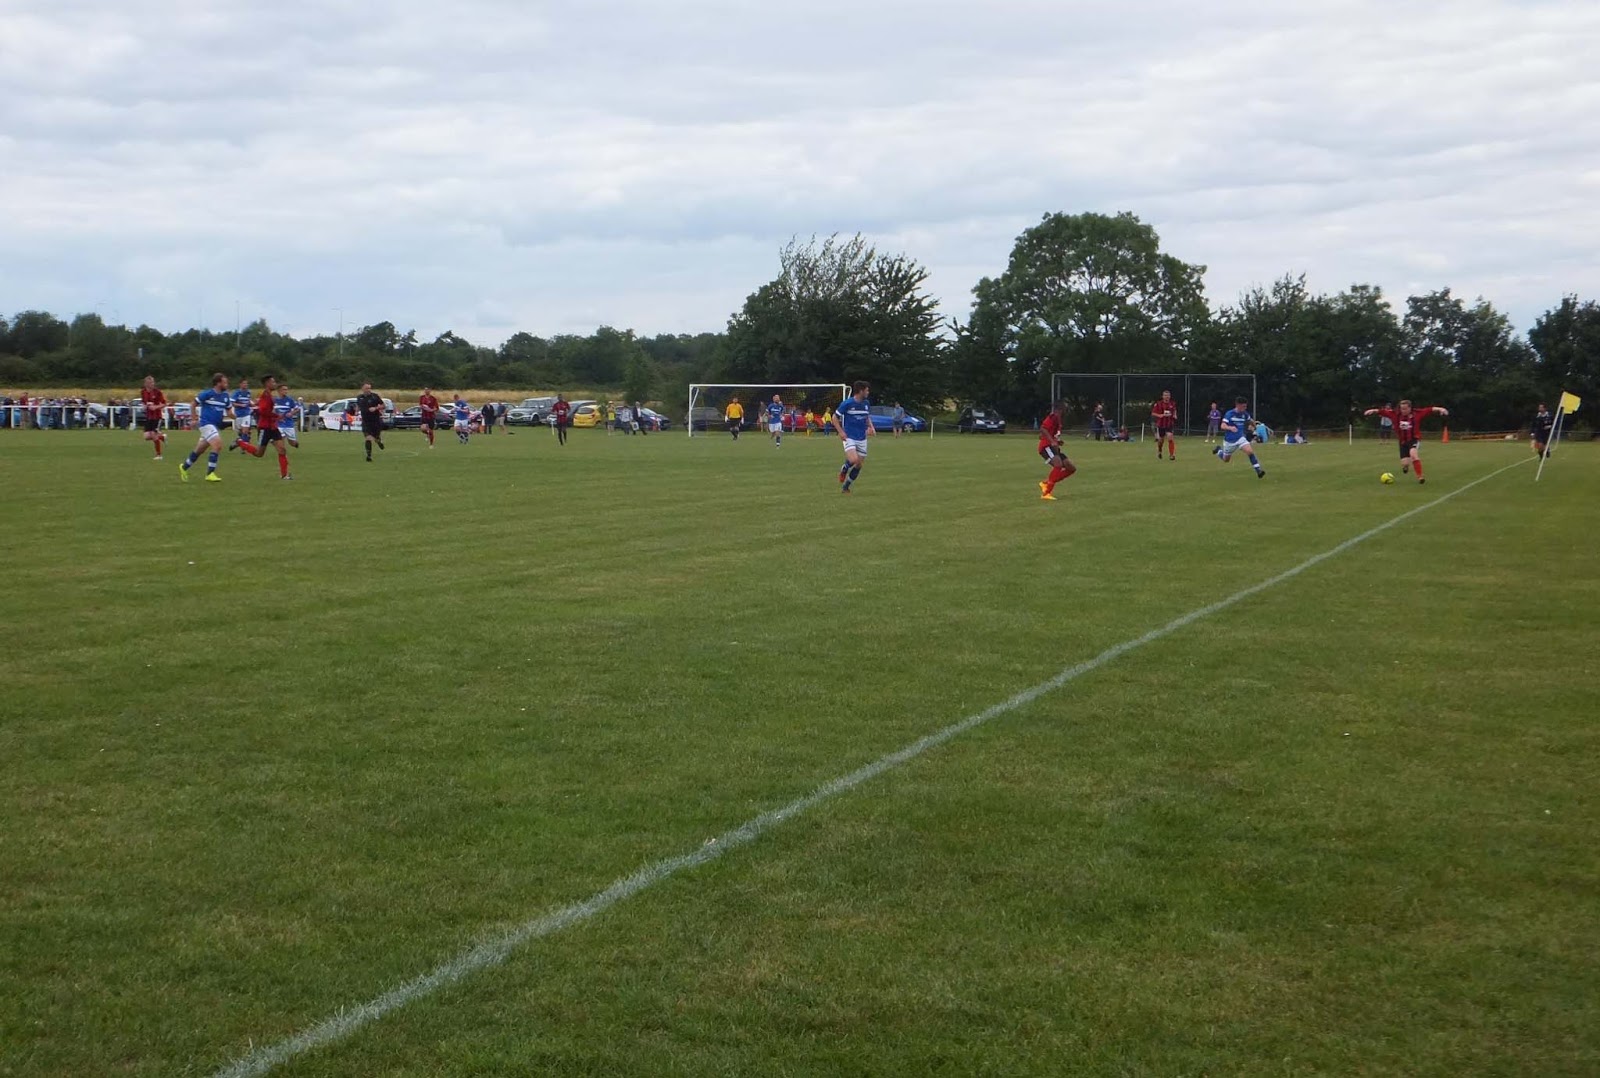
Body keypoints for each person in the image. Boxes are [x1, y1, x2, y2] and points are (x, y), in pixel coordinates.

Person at [1362, 399, 1448, 483]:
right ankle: (1406, 466)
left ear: (1410, 408)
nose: (1403, 410)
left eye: (1405, 409)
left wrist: (1440, 409)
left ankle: (1420, 477)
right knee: (1405, 464)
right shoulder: (1396, 414)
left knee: (1414, 455)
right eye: (1401, 408)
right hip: (1402, 441)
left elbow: (1429, 410)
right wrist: (1373, 410)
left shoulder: (1417, 413)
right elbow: (1383, 412)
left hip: (1414, 439)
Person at [233, 375, 294, 479]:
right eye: (273, 382)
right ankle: (240, 442)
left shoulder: (270, 395)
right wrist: (277, 416)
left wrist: (275, 417)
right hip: (264, 427)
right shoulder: (265, 395)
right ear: (267, 384)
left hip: (273, 427)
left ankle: (284, 475)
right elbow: (262, 411)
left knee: (282, 450)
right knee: (259, 453)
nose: (275, 384)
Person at [179, 373, 231, 483]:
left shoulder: (225, 396)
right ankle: (210, 473)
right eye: (225, 382)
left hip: (215, 426)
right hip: (206, 424)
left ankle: (184, 467)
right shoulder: (207, 394)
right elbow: (193, 404)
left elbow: (230, 412)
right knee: (217, 444)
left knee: (199, 450)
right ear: (218, 383)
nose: (227, 384)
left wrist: (239, 419)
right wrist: (194, 419)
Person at [831, 381, 874, 493]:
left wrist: (871, 427)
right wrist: (840, 432)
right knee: (853, 459)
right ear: (861, 391)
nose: (868, 392)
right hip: (849, 436)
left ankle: (846, 487)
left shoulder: (866, 403)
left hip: (862, 438)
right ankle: (844, 468)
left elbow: (867, 417)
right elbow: (834, 418)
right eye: (867, 390)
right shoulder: (847, 403)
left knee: (859, 465)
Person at [1213, 396, 1266, 478]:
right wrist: (1230, 428)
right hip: (1229, 441)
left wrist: (1254, 426)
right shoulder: (1229, 414)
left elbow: (1250, 420)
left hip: (1240, 438)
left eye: (1246, 406)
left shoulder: (1244, 414)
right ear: (1238, 405)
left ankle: (1258, 470)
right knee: (1226, 459)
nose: (1245, 408)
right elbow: (1222, 425)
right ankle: (1218, 451)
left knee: (1250, 452)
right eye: (1243, 406)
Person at [1037, 400, 1077, 501]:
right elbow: (1043, 429)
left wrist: (1057, 441)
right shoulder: (1053, 416)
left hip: (1054, 448)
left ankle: (1046, 483)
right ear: (1060, 409)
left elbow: (1044, 434)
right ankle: (1046, 493)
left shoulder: (1058, 419)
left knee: (1071, 468)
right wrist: (1051, 441)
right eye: (1065, 407)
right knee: (1058, 464)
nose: (1067, 409)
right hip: (1046, 447)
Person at [138, 375, 167, 460]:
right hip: (148, 416)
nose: (152, 384)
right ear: (145, 384)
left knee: (154, 435)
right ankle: (162, 437)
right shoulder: (143, 392)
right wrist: (144, 406)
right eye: (150, 383)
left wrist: (156, 407)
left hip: (157, 417)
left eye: (153, 382)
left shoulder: (157, 392)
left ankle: (159, 455)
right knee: (147, 437)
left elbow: (164, 403)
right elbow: (144, 402)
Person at [356, 382, 386, 461]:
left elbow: (383, 405)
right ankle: (369, 456)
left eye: (369, 388)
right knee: (368, 438)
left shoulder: (375, 396)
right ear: (362, 389)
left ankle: (379, 441)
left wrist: (376, 408)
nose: (368, 390)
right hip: (366, 422)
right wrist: (356, 410)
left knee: (376, 438)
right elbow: (358, 405)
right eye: (367, 388)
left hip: (375, 421)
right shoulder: (359, 397)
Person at [1151, 389, 1177, 460]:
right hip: (1161, 424)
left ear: (1170, 396)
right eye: (1165, 395)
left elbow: (1174, 410)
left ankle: (1172, 455)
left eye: (1168, 395)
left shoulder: (1172, 403)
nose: (1166, 397)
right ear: (1162, 396)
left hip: (1169, 424)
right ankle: (1159, 451)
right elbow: (1153, 413)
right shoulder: (1158, 404)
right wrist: (1160, 415)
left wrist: (1175, 415)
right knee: (1161, 440)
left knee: (1170, 437)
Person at [229, 378, 253, 449]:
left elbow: (248, 402)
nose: (245, 385)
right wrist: (240, 405)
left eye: (246, 383)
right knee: (241, 432)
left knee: (245, 431)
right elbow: (232, 403)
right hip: (238, 414)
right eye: (244, 383)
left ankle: (244, 447)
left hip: (247, 414)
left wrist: (252, 404)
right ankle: (239, 442)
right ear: (240, 384)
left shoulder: (248, 392)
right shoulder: (236, 393)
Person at [275, 382, 301, 448]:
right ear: (279, 391)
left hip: (288, 424)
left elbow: (297, 409)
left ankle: (296, 444)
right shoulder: (274, 400)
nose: (286, 391)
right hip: (279, 424)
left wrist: (291, 413)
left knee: (292, 443)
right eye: (284, 389)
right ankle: (283, 453)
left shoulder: (290, 400)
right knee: (281, 438)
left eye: (286, 389)